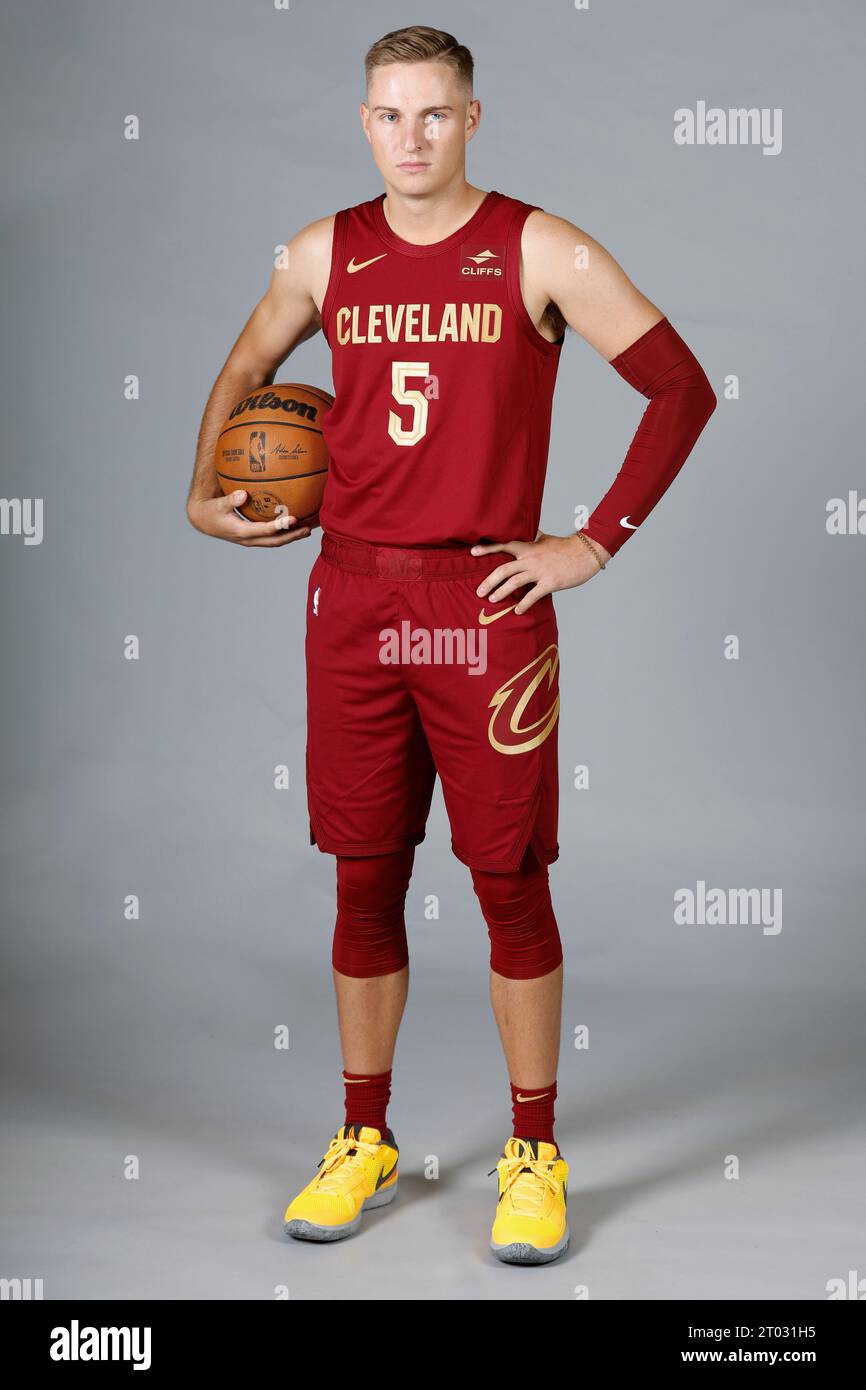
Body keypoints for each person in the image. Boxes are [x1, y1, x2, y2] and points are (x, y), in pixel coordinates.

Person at [186, 24, 717, 1266]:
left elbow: (680, 385)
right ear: (361, 120)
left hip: (484, 610)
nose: (409, 138)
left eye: (433, 115)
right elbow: (247, 360)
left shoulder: (537, 244)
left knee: (505, 882)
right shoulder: (324, 250)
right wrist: (195, 492)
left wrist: (591, 542)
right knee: (361, 876)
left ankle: (532, 1151)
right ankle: (362, 1135)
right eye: (387, 115)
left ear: (472, 118)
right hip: (353, 601)